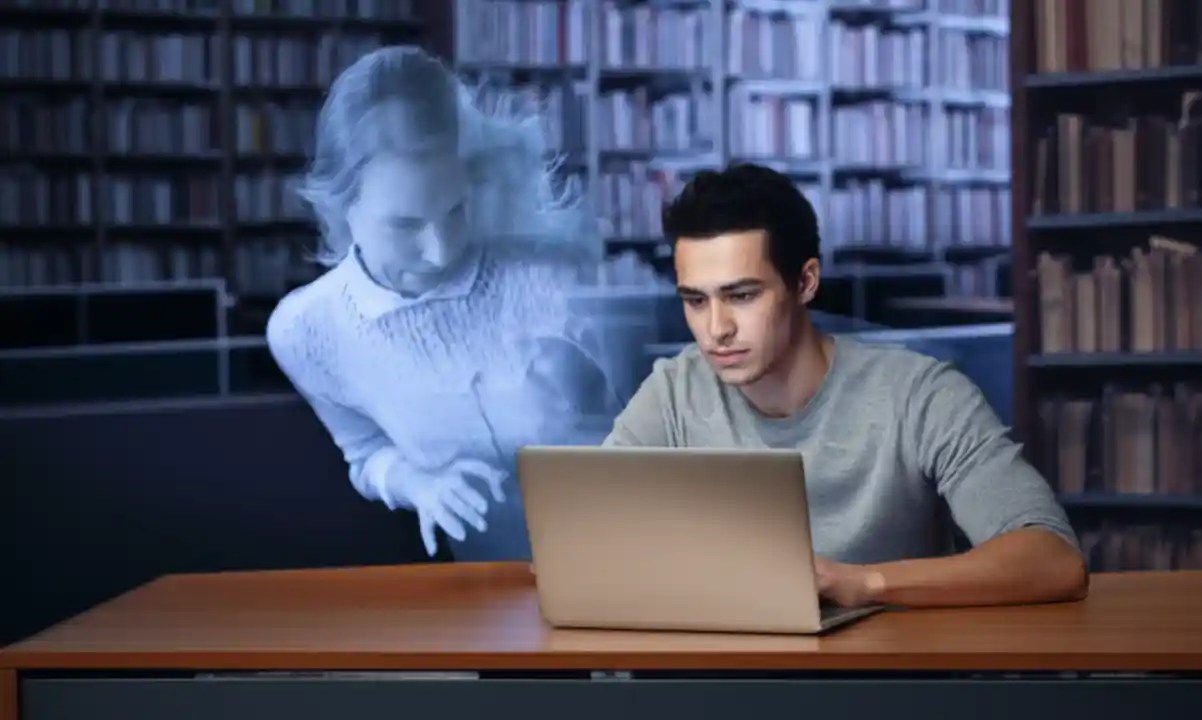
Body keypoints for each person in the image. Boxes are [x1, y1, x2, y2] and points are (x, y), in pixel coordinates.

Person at [604, 163, 1089, 609]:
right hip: (722, 689)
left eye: (743, 295)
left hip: (883, 689)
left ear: (807, 282)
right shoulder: (673, 391)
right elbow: (585, 543)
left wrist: (866, 583)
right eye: (696, 300)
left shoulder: (918, 394)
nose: (716, 328)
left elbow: (1053, 558)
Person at [266, 46, 622, 562]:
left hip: (632, 561)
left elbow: (658, 434)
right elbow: (365, 452)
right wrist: (416, 483)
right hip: (488, 596)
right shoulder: (308, 332)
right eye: (406, 225)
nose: (439, 250)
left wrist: (593, 401)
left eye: (455, 211)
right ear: (342, 207)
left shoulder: (550, 275)